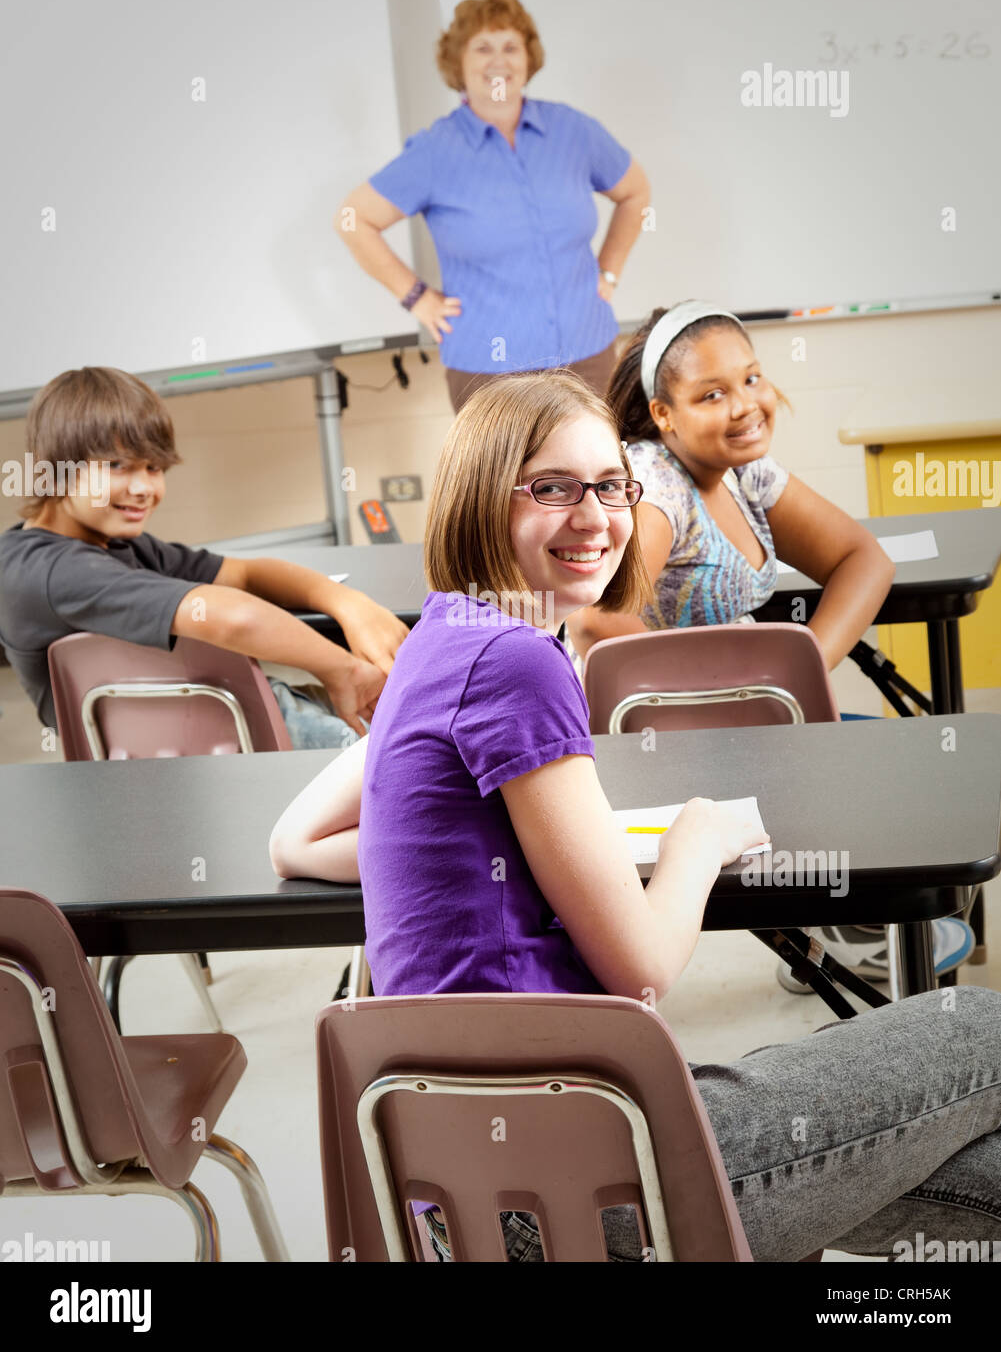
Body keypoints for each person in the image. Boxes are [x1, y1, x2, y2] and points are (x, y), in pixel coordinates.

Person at [269, 371, 1001, 1263]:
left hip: (462, 1192)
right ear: (477, 499)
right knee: (978, 1031)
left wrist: (460, 858)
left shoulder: (439, 636)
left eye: (611, 485)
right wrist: (699, 836)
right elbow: (640, 971)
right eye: (551, 488)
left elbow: (294, 841)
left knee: (960, 1172)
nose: (596, 517)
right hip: (586, 1184)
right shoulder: (515, 663)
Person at [565, 301, 974, 986]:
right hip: (685, 751)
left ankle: (835, 928)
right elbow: (599, 620)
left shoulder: (744, 472)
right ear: (663, 414)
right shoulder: (655, 486)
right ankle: (843, 928)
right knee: (903, 771)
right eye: (711, 394)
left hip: (756, 727)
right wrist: (705, 710)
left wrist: (801, 670)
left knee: (914, 763)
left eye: (751, 379)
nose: (745, 405)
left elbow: (862, 559)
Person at [0, 366, 410, 751]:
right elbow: (234, 617)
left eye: (154, 467)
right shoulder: (51, 572)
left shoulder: (115, 545)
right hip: (197, 753)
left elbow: (246, 575)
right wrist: (343, 670)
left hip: (200, 741)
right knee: (405, 748)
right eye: (117, 466)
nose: (145, 487)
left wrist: (345, 602)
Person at [336, 0, 649, 412]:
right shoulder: (435, 152)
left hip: (587, 357)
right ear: (457, 63)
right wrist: (416, 297)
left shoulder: (573, 132)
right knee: (502, 481)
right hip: (487, 374)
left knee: (593, 477)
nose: (498, 60)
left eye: (510, 47)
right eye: (483, 47)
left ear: (528, 58)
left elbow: (635, 192)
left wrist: (608, 272)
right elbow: (353, 219)